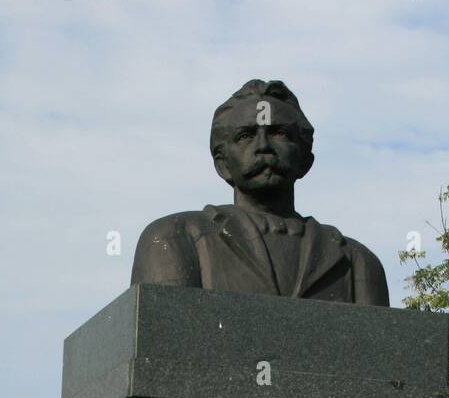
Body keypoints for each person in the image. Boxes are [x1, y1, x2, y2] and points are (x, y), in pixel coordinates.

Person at [130, 79, 389, 306]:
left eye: (279, 133)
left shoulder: (357, 263)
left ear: (305, 161)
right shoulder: (174, 238)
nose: (263, 146)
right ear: (222, 164)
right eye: (246, 135)